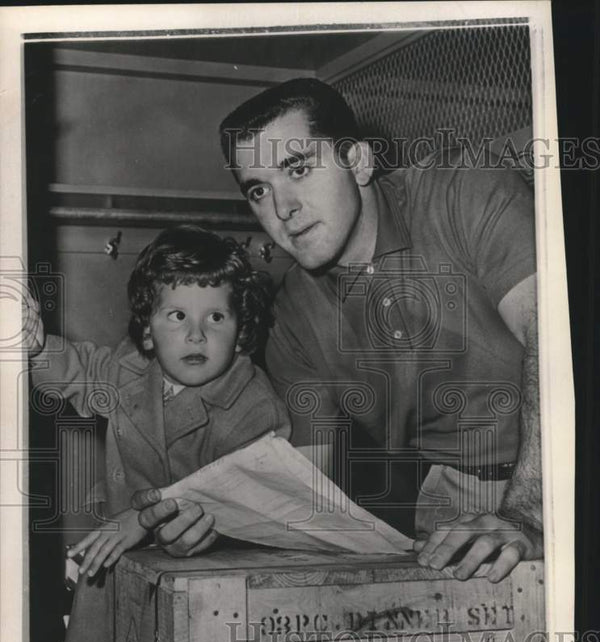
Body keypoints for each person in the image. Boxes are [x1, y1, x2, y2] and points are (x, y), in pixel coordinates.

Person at [133, 78, 543, 584]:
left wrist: (529, 513)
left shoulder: (464, 188)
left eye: (298, 169)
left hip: (559, 470)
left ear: (359, 162)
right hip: (452, 499)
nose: (282, 210)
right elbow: (310, 489)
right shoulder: (291, 321)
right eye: (259, 190)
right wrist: (225, 526)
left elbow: (557, 345)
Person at [25, 225, 290, 642]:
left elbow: (240, 501)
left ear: (242, 331)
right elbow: (78, 370)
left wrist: (143, 519)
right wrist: (34, 345)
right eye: (177, 316)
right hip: (110, 589)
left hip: (206, 602)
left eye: (216, 318)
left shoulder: (255, 405)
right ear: (147, 332)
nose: (196, 334)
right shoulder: (129, 372)